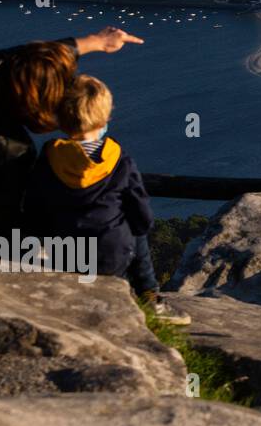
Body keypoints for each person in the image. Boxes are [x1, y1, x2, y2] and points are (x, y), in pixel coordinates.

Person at [24, 74, 189, 323]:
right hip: (111, 254)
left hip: (65, 253)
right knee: (136, 231)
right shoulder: (118, 160)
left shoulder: (49, 158)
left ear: (60, 118)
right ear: (105, 118)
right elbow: (140, 213)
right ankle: (150, 295)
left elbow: (35, 206)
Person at [0, 26, 144, 237]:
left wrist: (94, 42)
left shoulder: (5, 78)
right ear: (38, 103)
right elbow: (7, 225)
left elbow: (21, 59)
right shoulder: (12, 152)